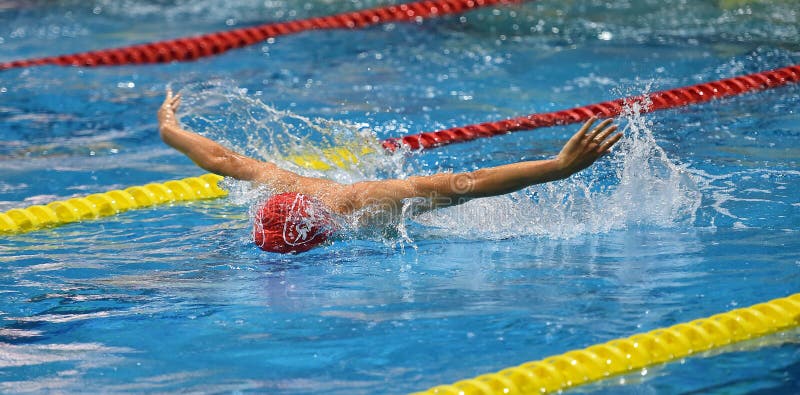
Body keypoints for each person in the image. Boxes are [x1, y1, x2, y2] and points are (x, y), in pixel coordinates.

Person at [157, 89, 622, 253]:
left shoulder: (367, 204)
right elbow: (223, 161)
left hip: (381, 194)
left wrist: (558, 168)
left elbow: (467, 184)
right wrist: (169, 128)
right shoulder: (282, 187)